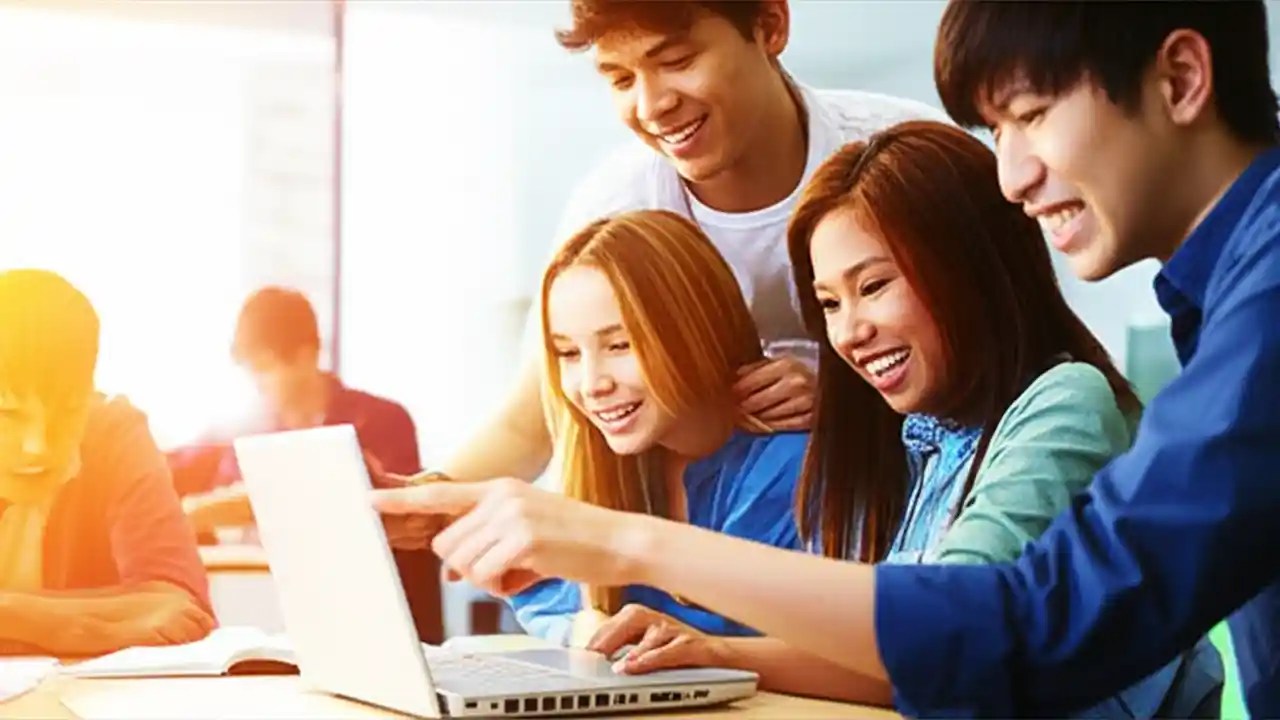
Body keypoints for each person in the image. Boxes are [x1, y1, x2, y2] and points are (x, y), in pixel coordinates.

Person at [373, 2, 1280, 717]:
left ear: (1182, 76)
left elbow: (1028, 622)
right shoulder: (935, 437)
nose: (1011, 178)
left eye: (1031, 117)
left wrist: (626, 542)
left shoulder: (1206, 325)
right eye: (829, 304)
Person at [582, 122, 1223, 716]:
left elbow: (939, 633)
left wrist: (721, 649)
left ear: (969, 266)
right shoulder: (923, 443)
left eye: (875, 286)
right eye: (829, 303)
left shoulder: (1066, 402)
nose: (850, 332)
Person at [427, 0, 947, 486]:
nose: (652, 106)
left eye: (676, 60)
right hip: (722, 516)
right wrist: (417, 499)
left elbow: (1007, 352)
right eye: (621, 78)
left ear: (770, 26)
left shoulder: (902, 156)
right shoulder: (616, 208)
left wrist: (846, 395)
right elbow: (530, 423)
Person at [508, 209, 806, 647]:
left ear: (694, 328)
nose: (592, 384)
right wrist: (583, 627)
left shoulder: (789, 468)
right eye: (568, 354)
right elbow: (547, 598)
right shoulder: (610, 467)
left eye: (619, 345)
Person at [173, 286, 442, 642]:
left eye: (265, 369)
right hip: (287, 621)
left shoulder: (379, 421)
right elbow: (232, 507)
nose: (257, 385)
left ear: (306, 356)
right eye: (251, 371)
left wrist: (199, 512)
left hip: (383, 622)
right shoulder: (250, 432)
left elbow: (363, 508)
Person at [0, 269, 214, 656]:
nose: (37, 445)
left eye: (67, 410)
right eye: (8, 414)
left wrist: (16, 613)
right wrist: (76, 627)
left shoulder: (113, 432)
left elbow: (181, 608)